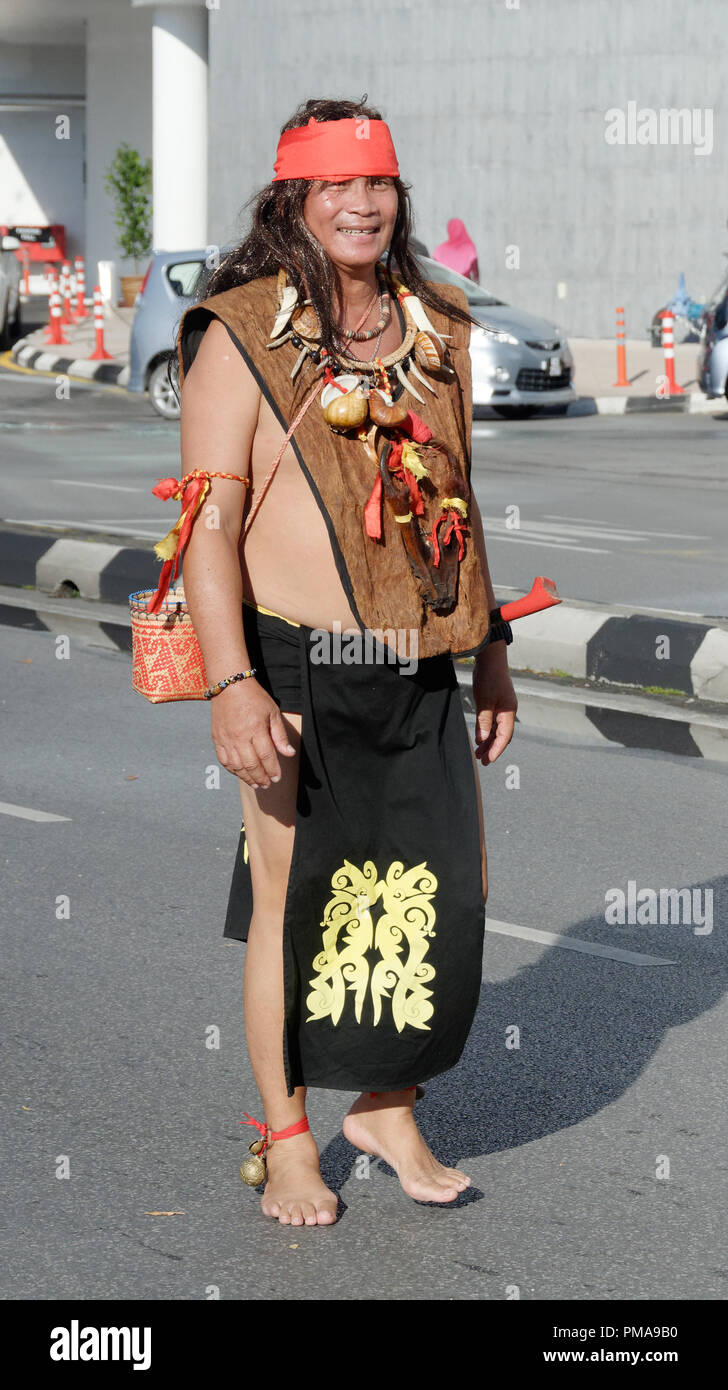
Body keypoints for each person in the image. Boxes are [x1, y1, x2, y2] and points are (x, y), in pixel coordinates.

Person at [155, 98, 516, 1228]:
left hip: (417, 660)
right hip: (292, 665)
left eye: (378, 185)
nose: (360, 206)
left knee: (440, 896)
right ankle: (289, 1136)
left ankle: (387, 1104)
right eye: (334, 188)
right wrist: (231, 681)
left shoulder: (435, 322)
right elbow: (205, 528)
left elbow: (457, 499)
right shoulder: (239, 329)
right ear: (291, 200)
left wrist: (491, 653)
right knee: (295, 903)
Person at [433, 217, 480, 283]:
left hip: (445, 285)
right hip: (464, 287)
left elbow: (434, 269)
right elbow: (476, 273)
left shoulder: (440, 249)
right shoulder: (469, 248)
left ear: (449, 230)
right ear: (463, 229)